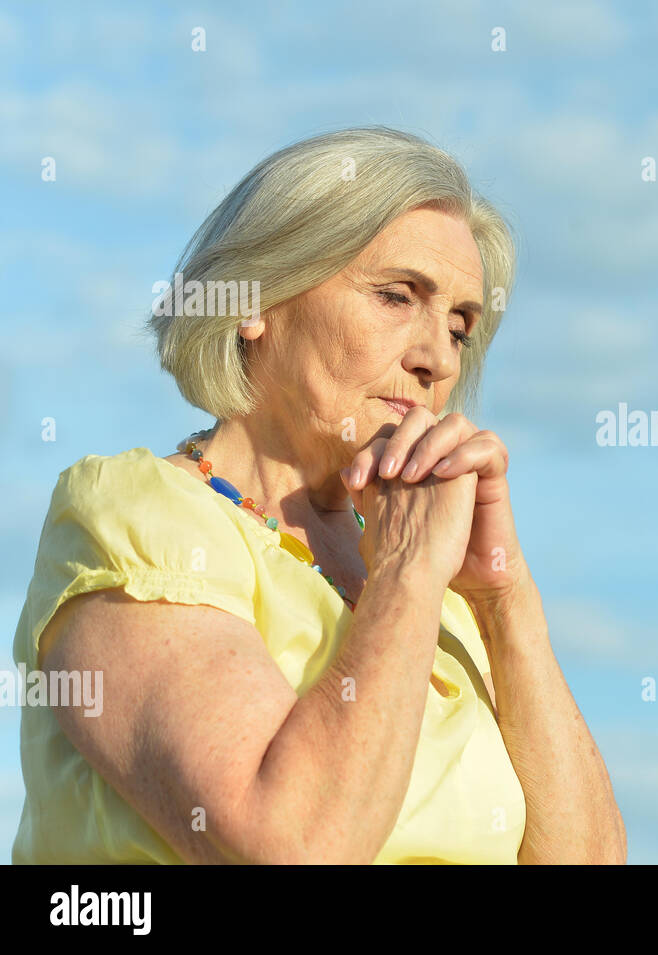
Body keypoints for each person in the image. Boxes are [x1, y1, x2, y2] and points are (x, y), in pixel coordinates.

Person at [10, 126, 626, 864]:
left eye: (460, 325)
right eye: (397, 296)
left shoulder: (442, 589)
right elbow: (293, 846)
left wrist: (503, 597)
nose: (436, 357)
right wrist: (405, 574)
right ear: (257, 300)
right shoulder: (138, 515)